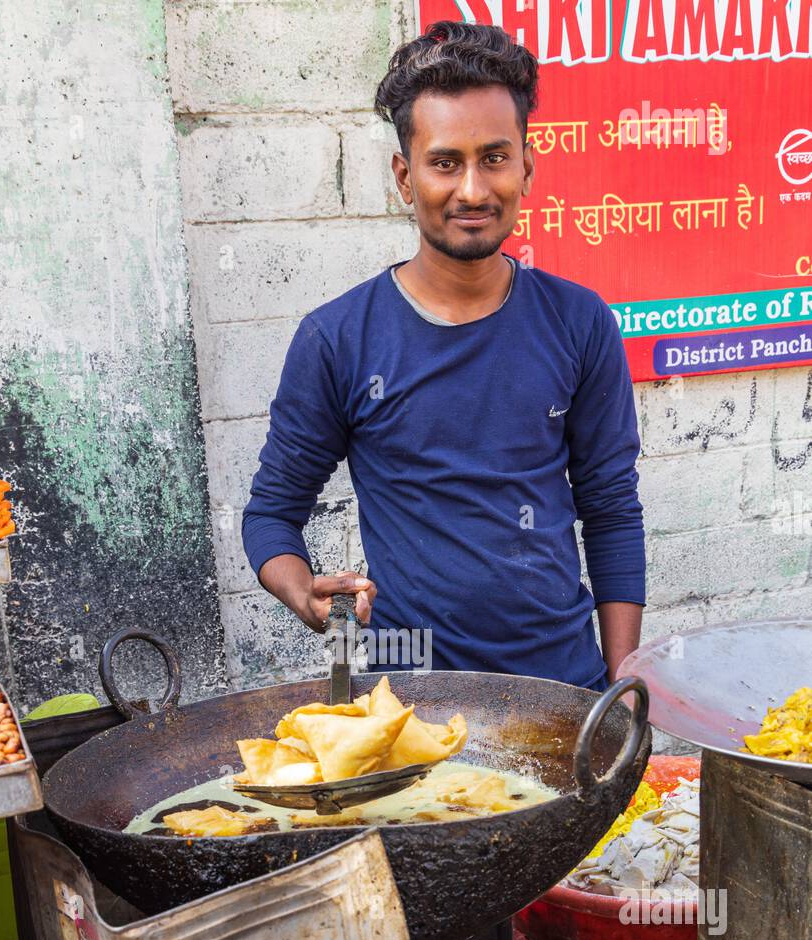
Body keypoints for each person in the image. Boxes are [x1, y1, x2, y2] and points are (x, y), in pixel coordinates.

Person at [242, 21, 645, 689]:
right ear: (405, 176)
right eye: (444, 162)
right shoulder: (338, 338)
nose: (471, 190)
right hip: (408, 685)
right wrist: (301, 589)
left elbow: (609, 509)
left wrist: (622, 683)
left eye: (493, 157)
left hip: (564, 680)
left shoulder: (578, 321)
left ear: (524, 166)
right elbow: (270, 514)